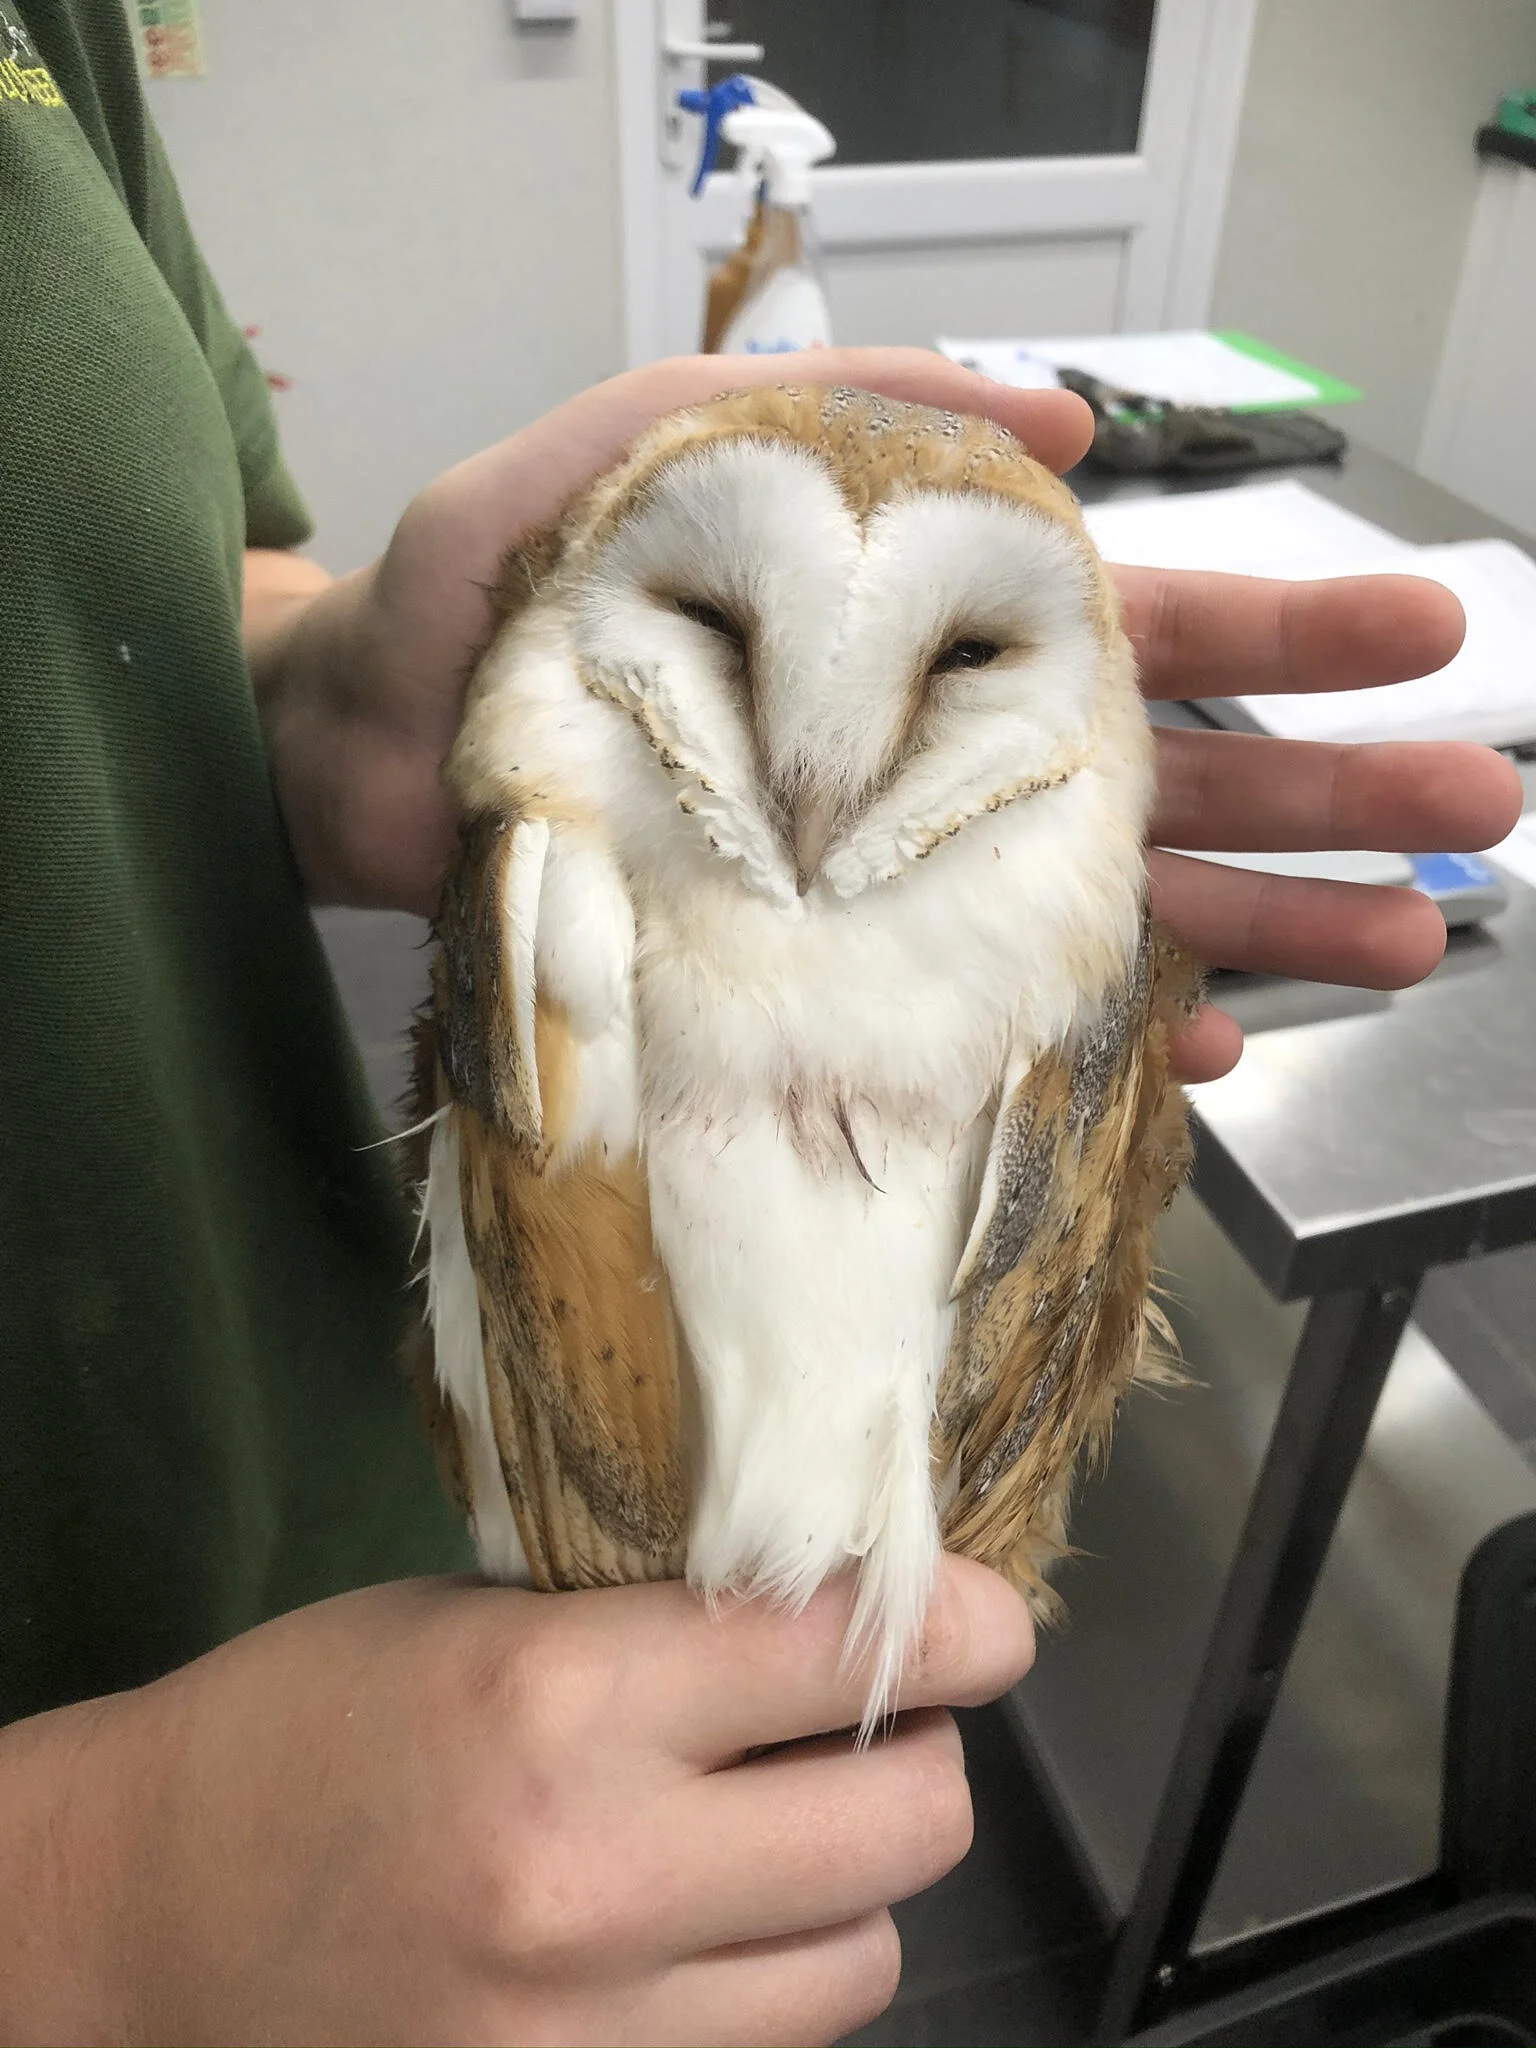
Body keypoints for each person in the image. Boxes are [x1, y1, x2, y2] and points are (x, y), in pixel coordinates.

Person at [0, 3, 1522, 2042]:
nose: (817, 767)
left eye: (971, 659)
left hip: (325, 1525)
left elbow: (180, 565)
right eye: (712, 625)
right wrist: (96, 1899)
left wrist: (320, 679)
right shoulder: (568, 902)